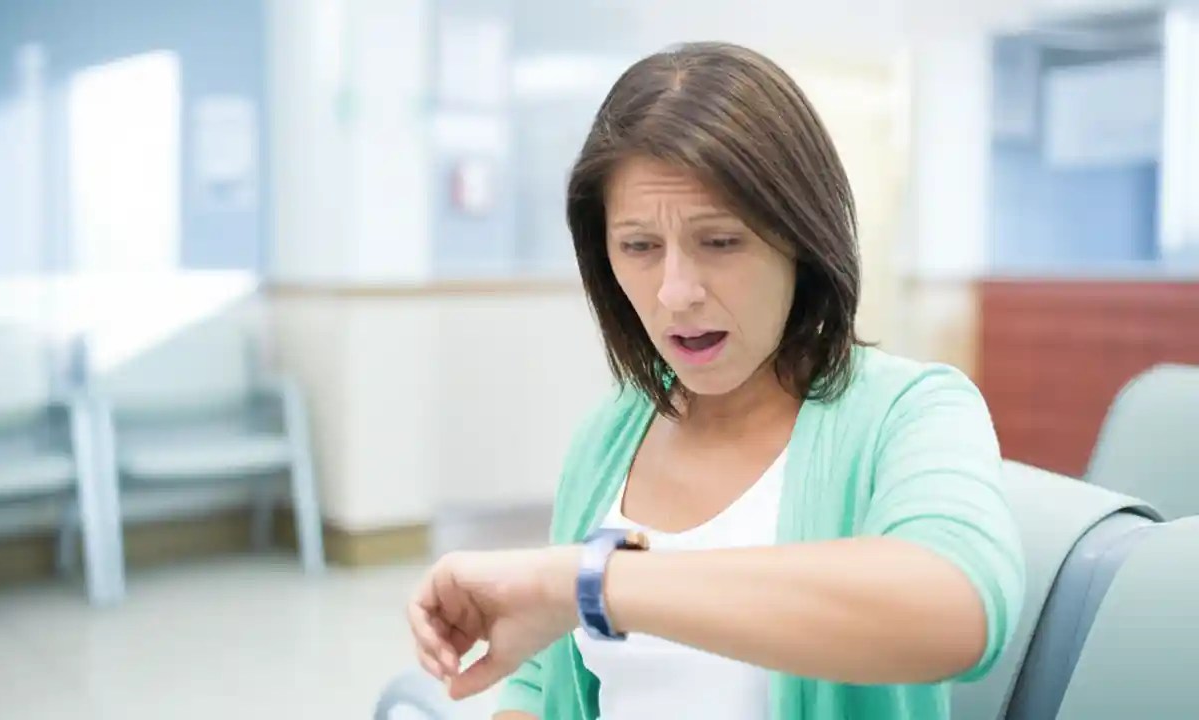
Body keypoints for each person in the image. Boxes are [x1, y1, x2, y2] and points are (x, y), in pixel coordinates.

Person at [407, 41, 1025, 720]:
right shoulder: (612, 435)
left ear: (802, 239)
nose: (676, 292)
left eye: (721, 242)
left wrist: (592, 582)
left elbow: (956, 609)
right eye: (639, 247)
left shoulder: (911, 412)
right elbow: (541, 682)